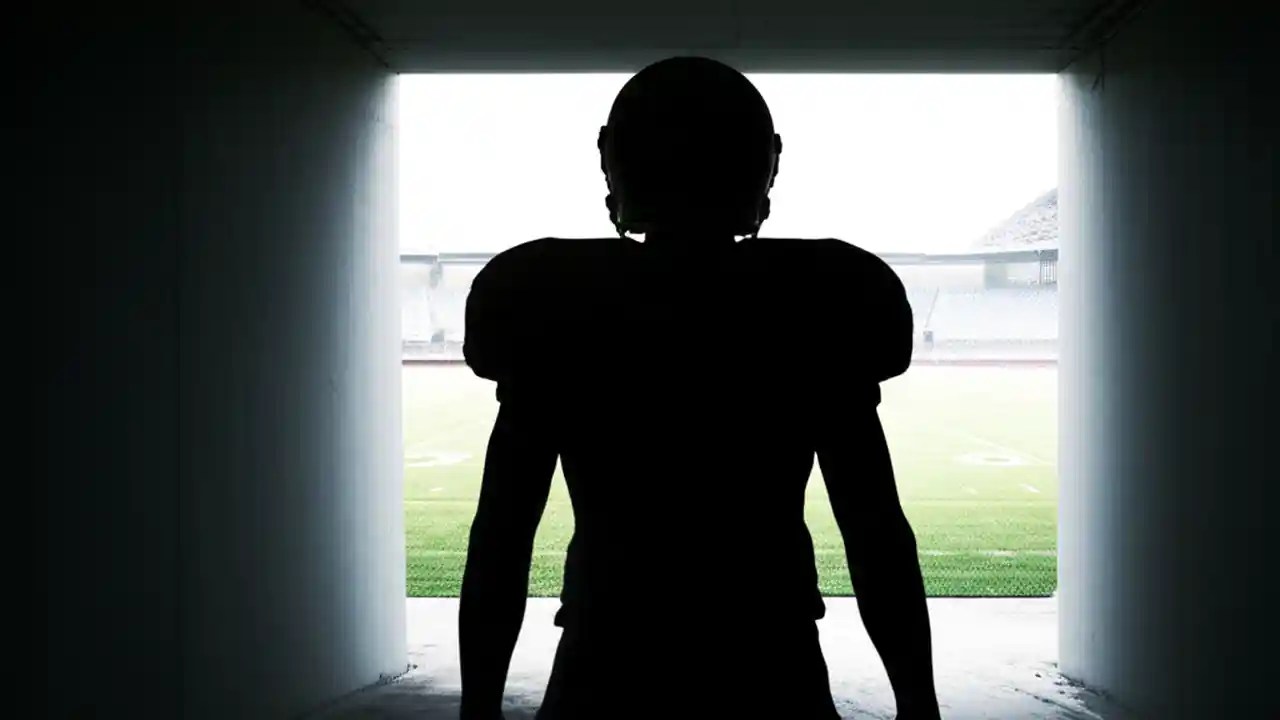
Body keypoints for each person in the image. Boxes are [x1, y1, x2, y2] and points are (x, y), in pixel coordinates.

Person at [458, 56, 941, 720]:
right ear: (762, 165)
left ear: (615, 161)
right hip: (771, 654)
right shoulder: (822, 301)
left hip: (608, 652)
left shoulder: (552, 300)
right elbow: (876, 532)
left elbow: (502, 537)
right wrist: (919, 702)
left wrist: (478, 705)